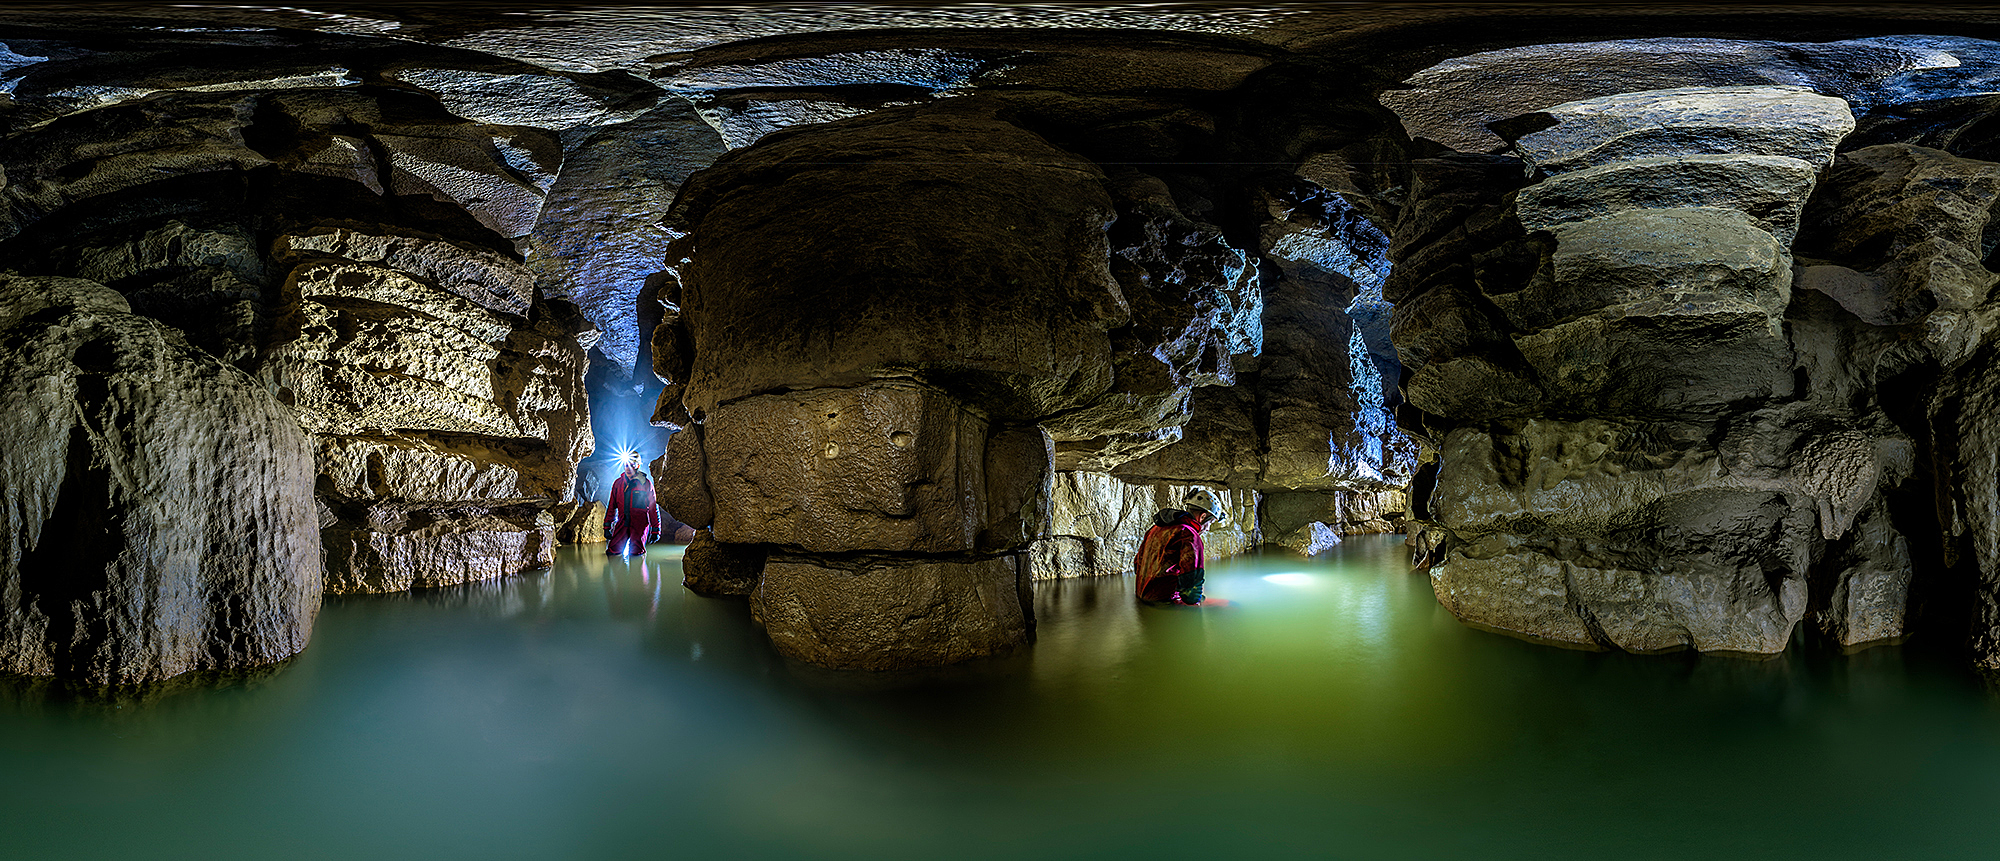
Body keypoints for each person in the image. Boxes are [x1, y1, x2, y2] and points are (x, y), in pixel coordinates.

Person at [1134, 489, 1224, 605]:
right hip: (1165, 602)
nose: (1207, 529)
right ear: (1202, 517)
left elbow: (1137, 564)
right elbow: (1191, 586)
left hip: (1142, 597)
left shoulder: (1155, 528)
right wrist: (1195, 605)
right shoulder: (1189, 535)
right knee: (1227, 606)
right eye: (1210, 523)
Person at [603, 453, 662, 556]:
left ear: (638, 466)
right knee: (612, 551)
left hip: (639, 524)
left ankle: (638, 571)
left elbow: (653, 508)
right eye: (626, 465)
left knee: (636, 554)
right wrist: (607, 526)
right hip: (622, 522)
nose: (628, 468)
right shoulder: (618, 484)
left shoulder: (646, 484)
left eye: (632, 465)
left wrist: (656, 530)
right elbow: (611, 506)